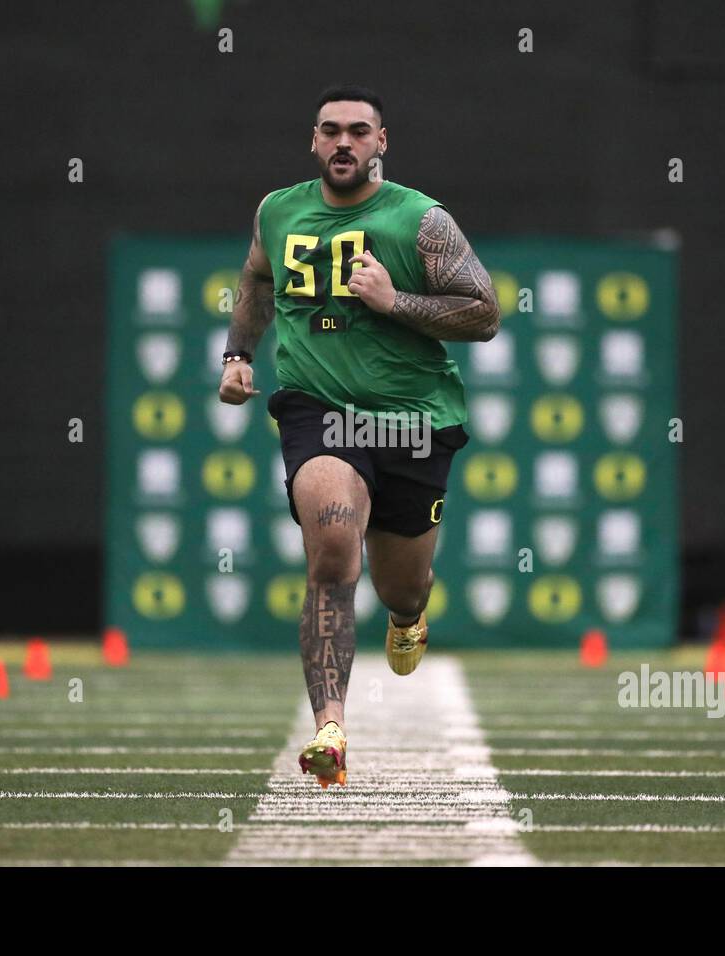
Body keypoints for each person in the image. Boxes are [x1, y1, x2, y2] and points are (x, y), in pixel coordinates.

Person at [217, 85, 500, 787]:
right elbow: (256, 280)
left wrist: (392, 301)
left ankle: (407, 617)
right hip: (319, 410)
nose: (343, 143)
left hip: (413, 419)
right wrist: (237, 356)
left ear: (381, 143)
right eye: (329, 131)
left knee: (404, 583)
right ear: (313, 141)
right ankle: (331, 729)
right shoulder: (279, 211)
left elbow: (484, 313)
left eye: (358, 132)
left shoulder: (420, 220)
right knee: (333, 543)